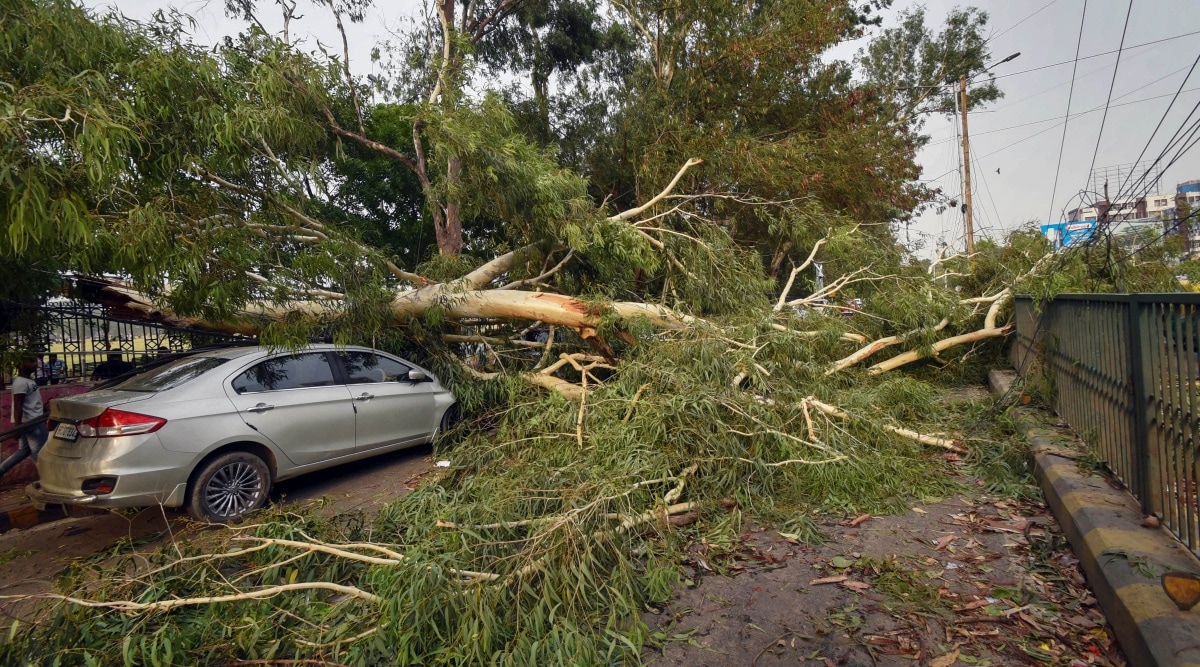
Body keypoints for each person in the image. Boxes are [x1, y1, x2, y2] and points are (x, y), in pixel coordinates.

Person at [0, 360, 48, 479]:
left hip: (32, 421)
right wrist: (17, 428)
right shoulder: (20, 383)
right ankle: (47, 480)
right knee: (40, 454)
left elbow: (31, 401)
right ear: (21, 364)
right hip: (32, 423)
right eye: (31, 362)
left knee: (23, 451)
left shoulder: (28, 381)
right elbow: (17, 406)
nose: (35, 364)